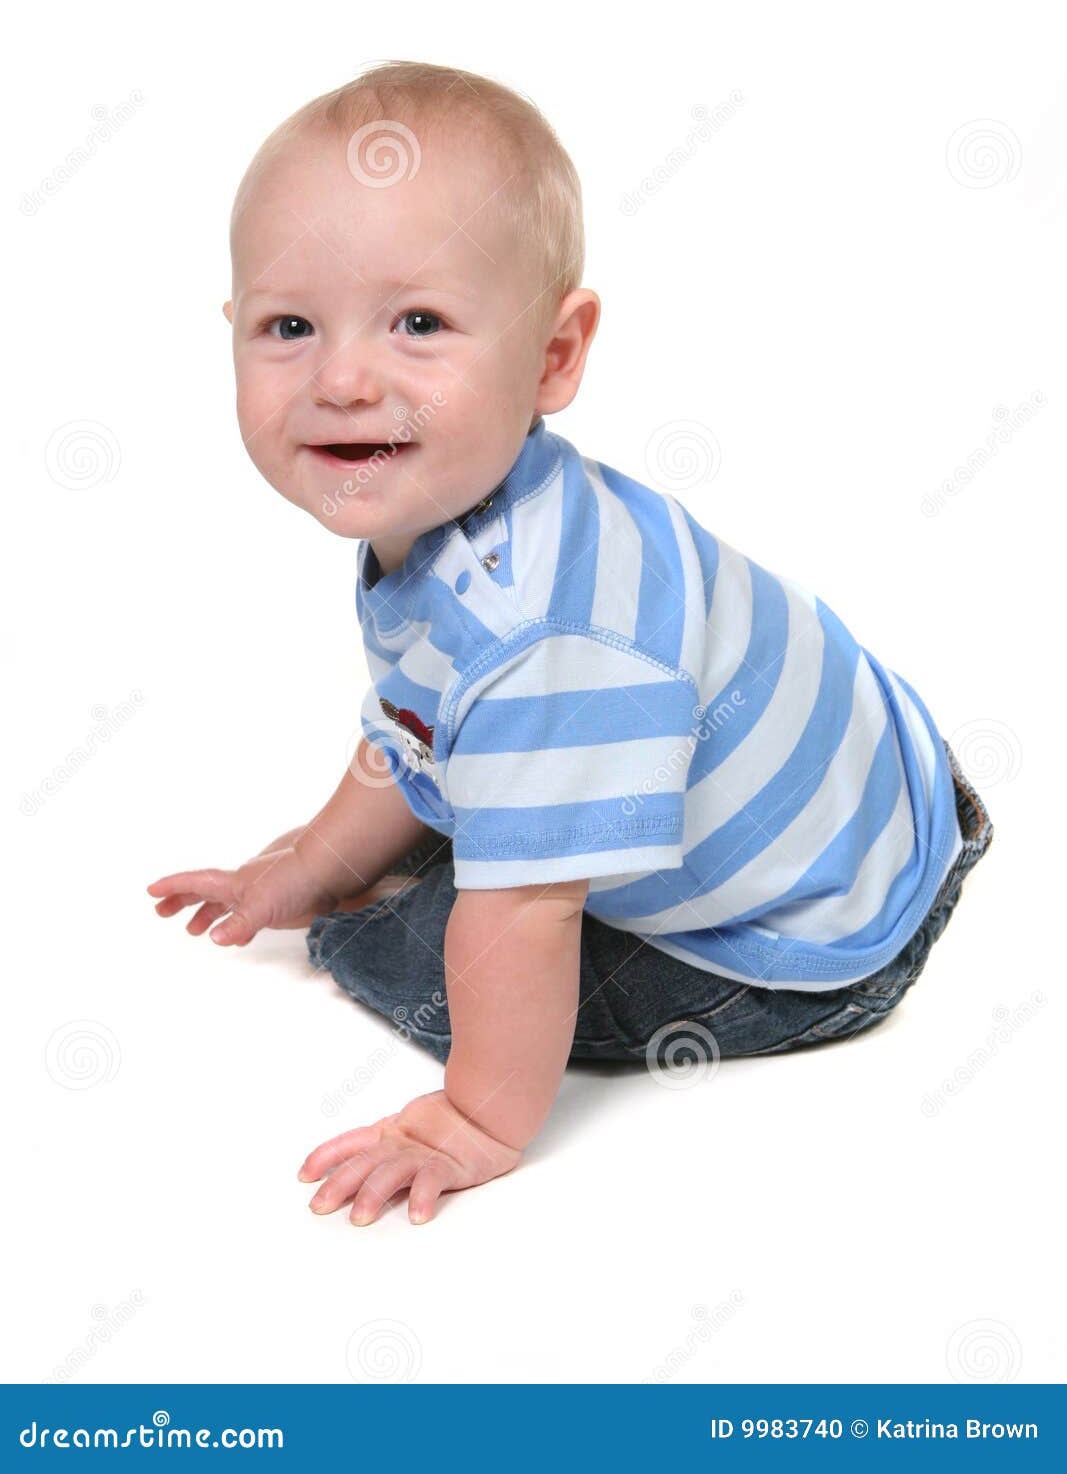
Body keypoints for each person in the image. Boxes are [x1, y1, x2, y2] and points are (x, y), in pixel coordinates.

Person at [146, 61, 995, 1227]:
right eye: (288, 325)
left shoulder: (544, 632)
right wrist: (300, 862)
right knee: (423, 849)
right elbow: (413, 721)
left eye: (418, 324)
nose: (342, 378)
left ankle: (500, 1012)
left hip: (809, 929)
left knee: (391, 944)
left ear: (552, 356)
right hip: (883, 791)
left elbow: (521, 913)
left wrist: (475, 1117)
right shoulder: (476, 517)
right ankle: (513, 824)